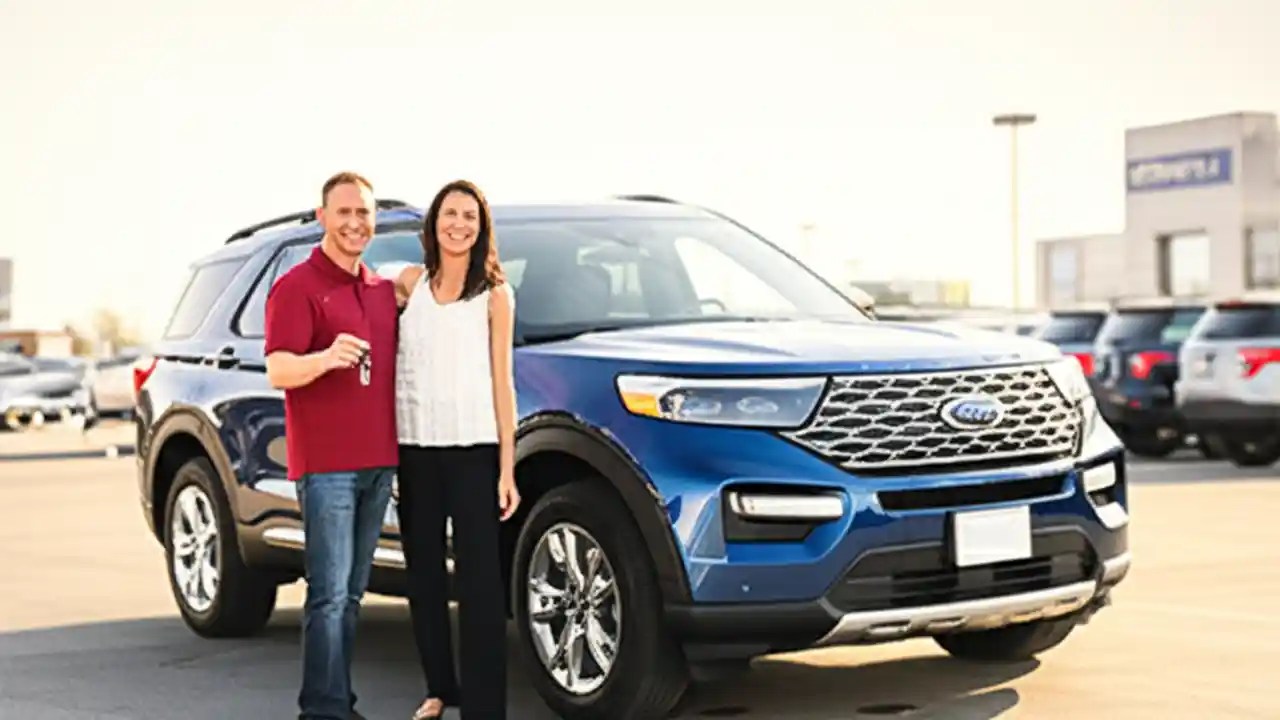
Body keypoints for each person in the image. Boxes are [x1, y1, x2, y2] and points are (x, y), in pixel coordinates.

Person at [264, 171, 400, 720]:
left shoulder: (381, 290)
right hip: (327, 467)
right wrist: (322, 359)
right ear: (322, 216)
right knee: (328, 595)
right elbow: (278, 369)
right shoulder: (296, 287)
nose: (354, 222)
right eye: (343, 212)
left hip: (379, 461)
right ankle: (322, 710)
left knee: (352, 594)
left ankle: (337, 703)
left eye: (363, 213)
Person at [393, 179, 520, 720]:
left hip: (474, 451)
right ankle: (440, 689)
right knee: (423, 578)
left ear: (481, 226)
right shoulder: (408, 284)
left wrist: (507, 469)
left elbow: (503, 382)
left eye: (470, 216)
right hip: (415, 450)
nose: (459, 224)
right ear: (434, 222)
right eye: (450, 213)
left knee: (480, 585)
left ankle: (485, 707)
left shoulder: (494, 296)